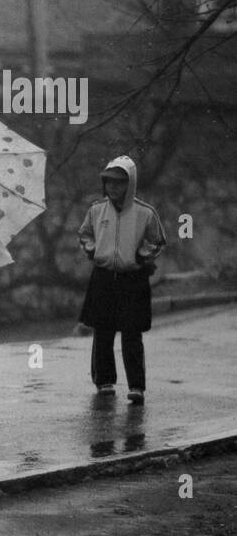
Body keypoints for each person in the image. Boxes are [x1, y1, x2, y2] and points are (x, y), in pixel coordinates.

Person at [77, 155, 166, 404]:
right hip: (104, 277)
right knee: (103, 331)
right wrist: (93, 250)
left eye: (118, 183)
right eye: (108, 183)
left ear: (130, 184)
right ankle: (104, 381)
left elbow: (157, 240)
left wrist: (141, 255)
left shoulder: (145, 213)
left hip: (133, 279)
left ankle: (136, 385)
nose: (113, 188)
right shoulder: (96, 211)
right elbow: (84, 234)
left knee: (131, 333)